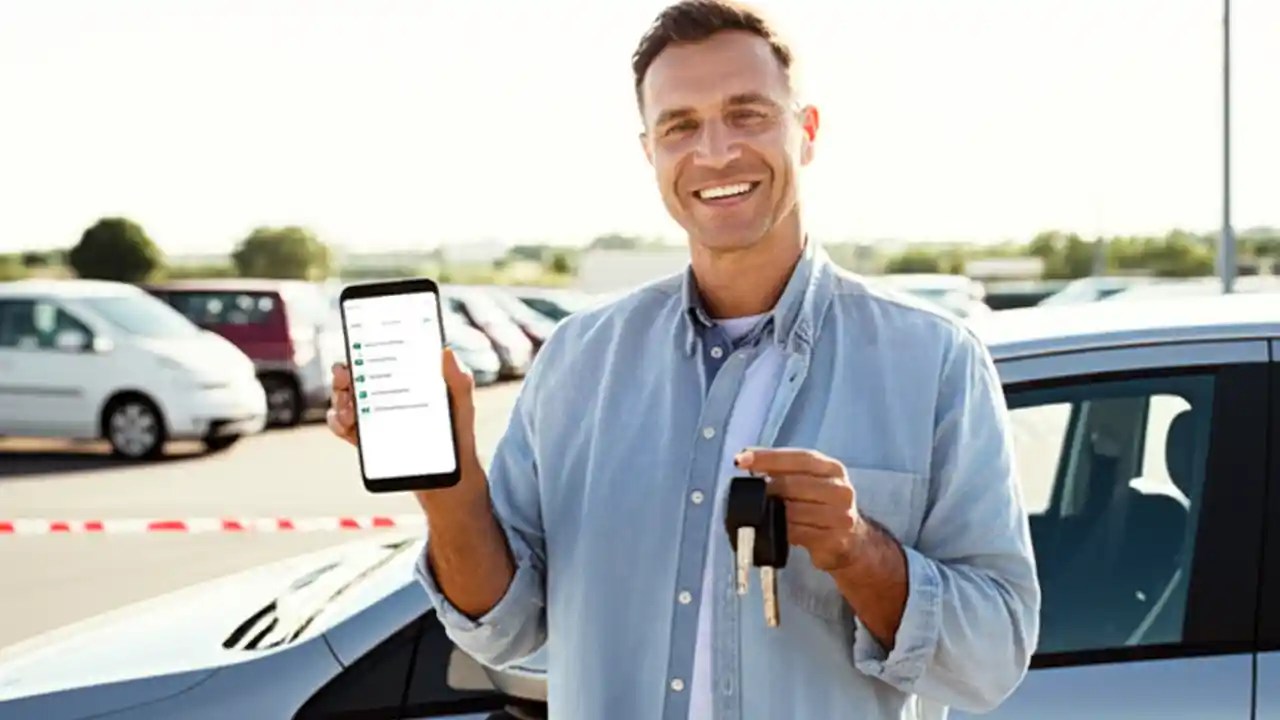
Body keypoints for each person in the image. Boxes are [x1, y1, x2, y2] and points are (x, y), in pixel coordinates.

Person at [328, 1, 1040, 717]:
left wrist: (857, 549)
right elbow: (504, 629)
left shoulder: (934, 361)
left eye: (747, 113)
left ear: (808, 131)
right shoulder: (579, 361)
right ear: (650, 153)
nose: (716, 151)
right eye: (681, 126)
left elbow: (991, 658)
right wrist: (448, 481)